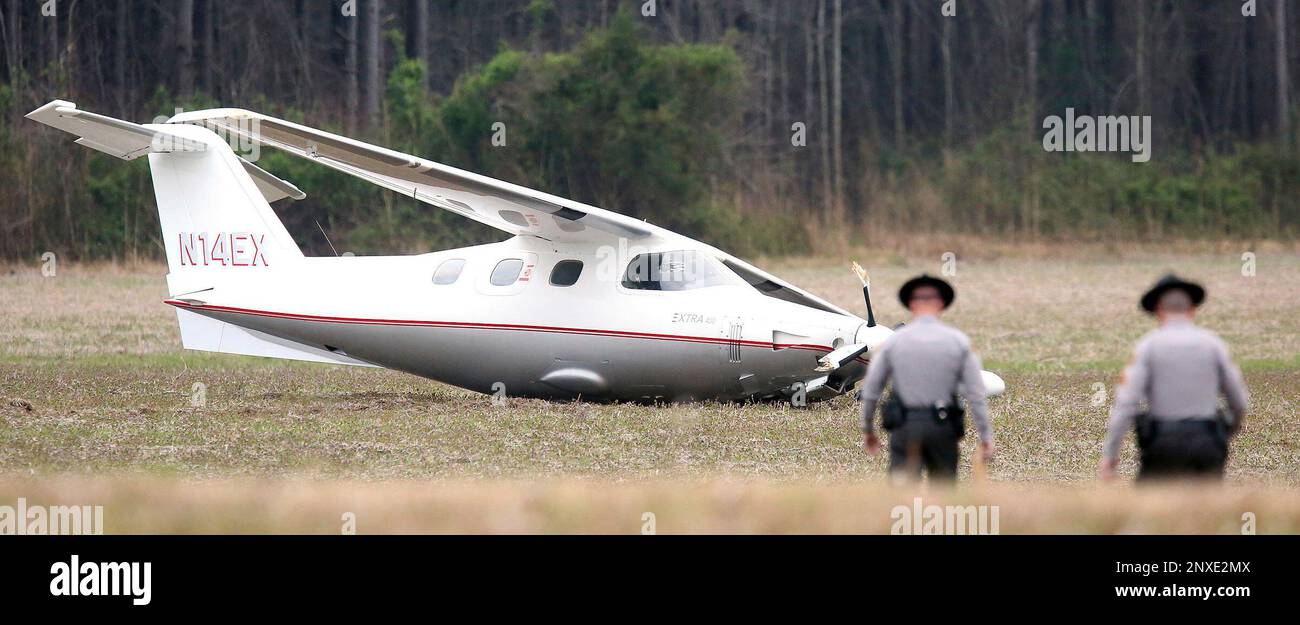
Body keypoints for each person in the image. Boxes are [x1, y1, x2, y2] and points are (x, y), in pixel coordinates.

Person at [1100, 274, 1249, 482]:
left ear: (1158, 311)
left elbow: (1126, 403)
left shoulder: (1148, 347)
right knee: (1206, 512)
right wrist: (1225, 432)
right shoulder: (1213, 345)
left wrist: (1110, 455)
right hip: (1206, 444)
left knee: (1152, 512)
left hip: (1163, 444)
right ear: (1192, 310)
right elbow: (1239, 402)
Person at [859, 275, 994, 482]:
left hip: (905, 427)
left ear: (910, 304)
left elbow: (871, 391)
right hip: (943, 427)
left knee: (901, 497)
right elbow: (976, 394)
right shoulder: (958, 342)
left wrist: (868, 430)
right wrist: (986, 437)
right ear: (942, 304)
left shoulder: (893, 343)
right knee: (942, 495)